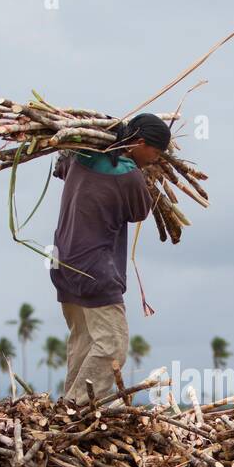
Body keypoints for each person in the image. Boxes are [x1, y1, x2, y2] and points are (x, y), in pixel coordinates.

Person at [49, 113, 170, 403]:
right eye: (154, 153)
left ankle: (69, 403)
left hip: (62, 261)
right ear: (139, 142)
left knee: (84, 341)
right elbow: (139, 212)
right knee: (113, 344)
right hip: (95, 268)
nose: (154, 160)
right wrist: (142, 176)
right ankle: (76, 406)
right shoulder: (127, 174)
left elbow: (61, 167)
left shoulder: (81, 155)